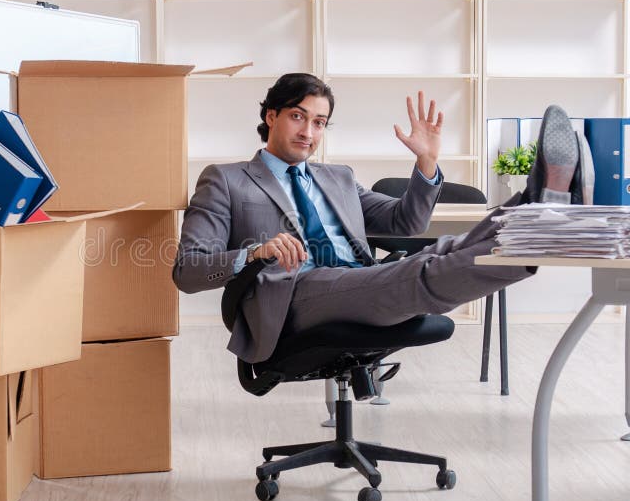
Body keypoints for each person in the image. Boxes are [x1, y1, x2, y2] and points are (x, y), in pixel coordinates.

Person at [172, 73, 590, 364]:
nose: (309, 132)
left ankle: (534, 207)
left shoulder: (337, 177)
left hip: (356, 282)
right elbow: (187, 272)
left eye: (319, 122)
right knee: (417, 274)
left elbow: (405, 223)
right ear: (271, 117)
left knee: (442, 251)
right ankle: (534, 232)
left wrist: (427, 162)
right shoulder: (226, 179)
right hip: (293, 295)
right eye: (298, 116)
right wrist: (254, 252)